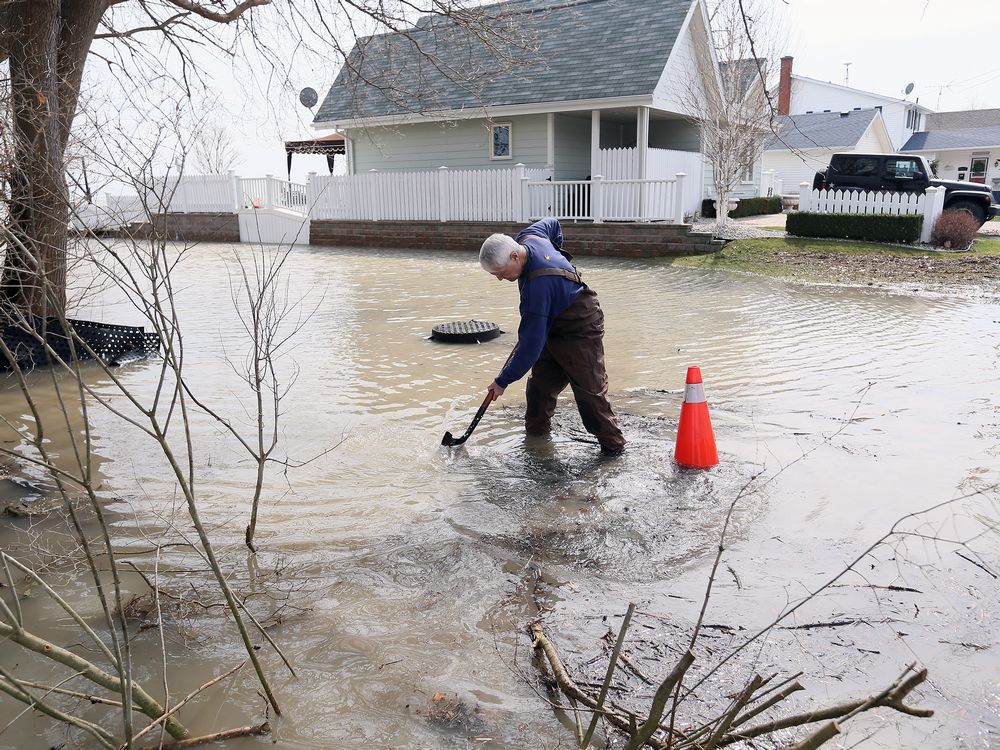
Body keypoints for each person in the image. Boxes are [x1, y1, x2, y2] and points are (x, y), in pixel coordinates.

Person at [479, 218, 625, 456]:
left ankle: (614, 448)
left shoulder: (538, 288)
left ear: (515, 257)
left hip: (580, 324)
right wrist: (559, 257)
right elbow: (553, 223)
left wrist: (502, 381)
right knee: (540, 387)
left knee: (589, 392)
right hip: (552, 320)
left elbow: (529, 346)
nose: (499, 279)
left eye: (501, 273)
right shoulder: (530, 236)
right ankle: (536, 441)